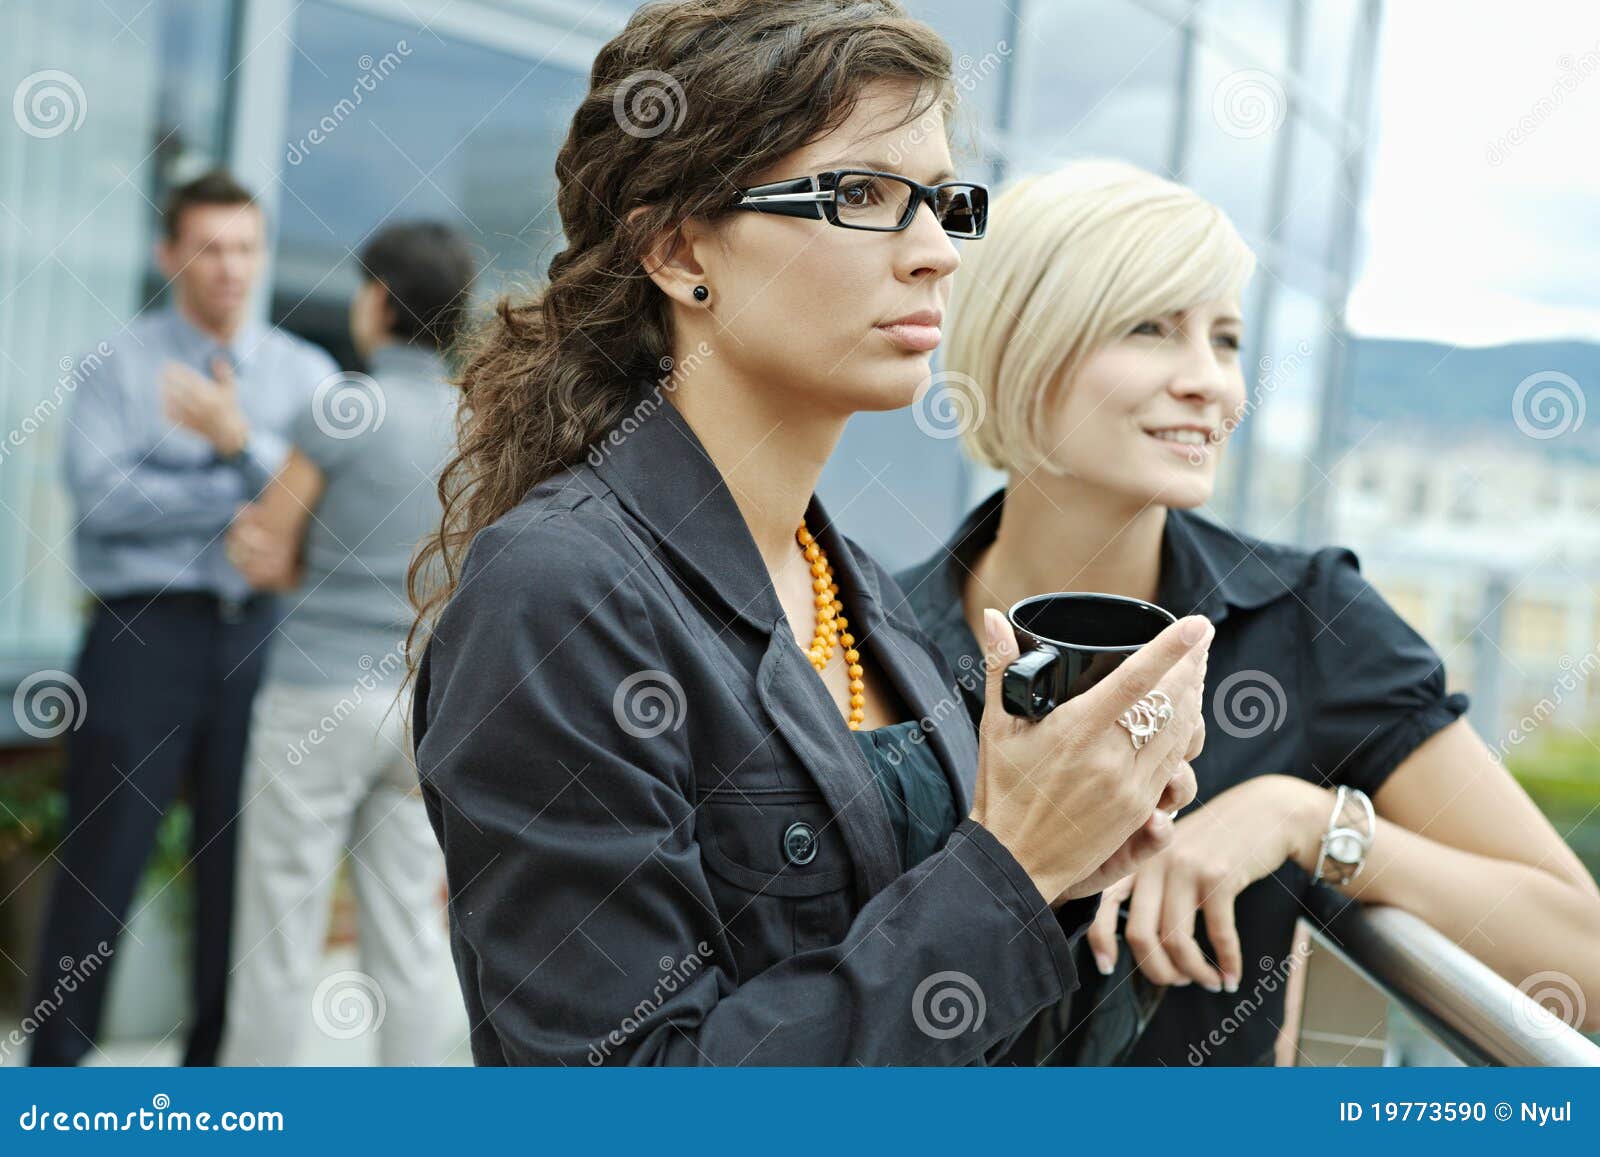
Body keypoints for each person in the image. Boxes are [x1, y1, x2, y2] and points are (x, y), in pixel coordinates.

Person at [407, 0, 1208, 1066]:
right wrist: (1008, 871)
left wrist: (1075, 862)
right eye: (865, 195)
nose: (935, 253)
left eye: (941, 201)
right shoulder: (560, 593)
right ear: (678, 245)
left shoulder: (854, 586)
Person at [895, 159, 1600, 1065]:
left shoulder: (1306, 620)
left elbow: (1580, 947)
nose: (1211, 383)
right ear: (1025, 348)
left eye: (1224, 339)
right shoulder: (872, 634)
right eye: (1150, 327)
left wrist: (1299, 818)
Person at [33, 170, 336, 1066]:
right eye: (209, 248)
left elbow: (318, 508)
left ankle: (210, 1079)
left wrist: (236, 440)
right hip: (142, 633)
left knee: (239, 867)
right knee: (105, 853)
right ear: (170, 256)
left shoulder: (303, 372)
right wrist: (244, 489)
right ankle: (55, 1074)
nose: (229, 268)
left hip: (261, 638)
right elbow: (102, 498)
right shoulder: (117, 364)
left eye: (245, 247)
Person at [217, 222, 476, 1065]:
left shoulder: (342, 404)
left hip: (315, 695)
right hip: (416, 704)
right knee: (408, 929)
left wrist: (270, 550)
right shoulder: (476, 421)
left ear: (375, 302)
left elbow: (265, 545)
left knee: (278, 933)